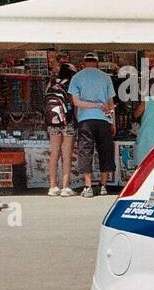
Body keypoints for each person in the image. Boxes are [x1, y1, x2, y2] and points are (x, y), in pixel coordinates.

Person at [69, 53, 117, 197]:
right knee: (105, 151)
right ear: (97, 63)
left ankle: (88, 186)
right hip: (104, 120)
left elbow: (76, 102)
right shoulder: (106, 77)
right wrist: (113, 121)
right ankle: (103, 186)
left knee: (86, 151)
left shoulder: (77, 77)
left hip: (86, 120)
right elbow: (111, 103)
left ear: (84, 62)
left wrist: (87, 111)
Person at [43, 62, 78, 197]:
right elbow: (74, 103)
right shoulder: (71, 83)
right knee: (66, 153)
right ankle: (65, 187)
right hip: (67, 121)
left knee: (54, 152)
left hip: (52, 122)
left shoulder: (51, 82)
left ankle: (52, 186)